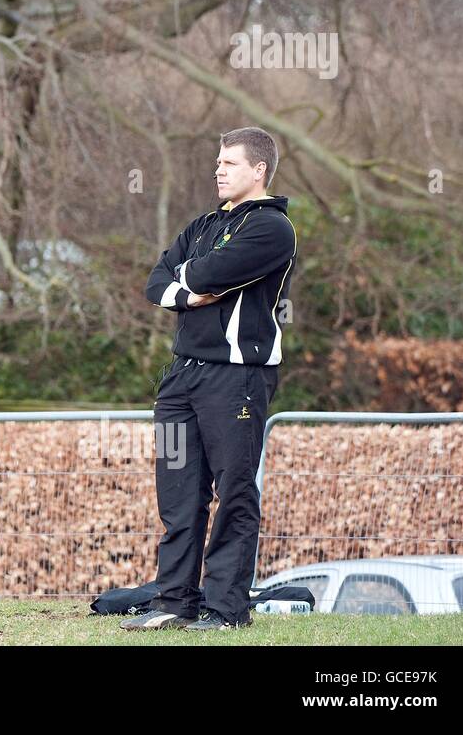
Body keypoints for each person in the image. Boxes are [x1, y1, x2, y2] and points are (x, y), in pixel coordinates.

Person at [124, 127, 296, 632]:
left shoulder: (271, 228)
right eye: (217, 162)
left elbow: (200, 277)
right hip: (180, 379)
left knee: (234, 493)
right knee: (178, 494)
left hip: (236, 378)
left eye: (229, 163)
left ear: (258, 169)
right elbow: (159, 282)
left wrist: (190, 283)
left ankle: (225, 611)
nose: (217, 170)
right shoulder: (201, 224)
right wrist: (186, 289)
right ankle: (173, 601)